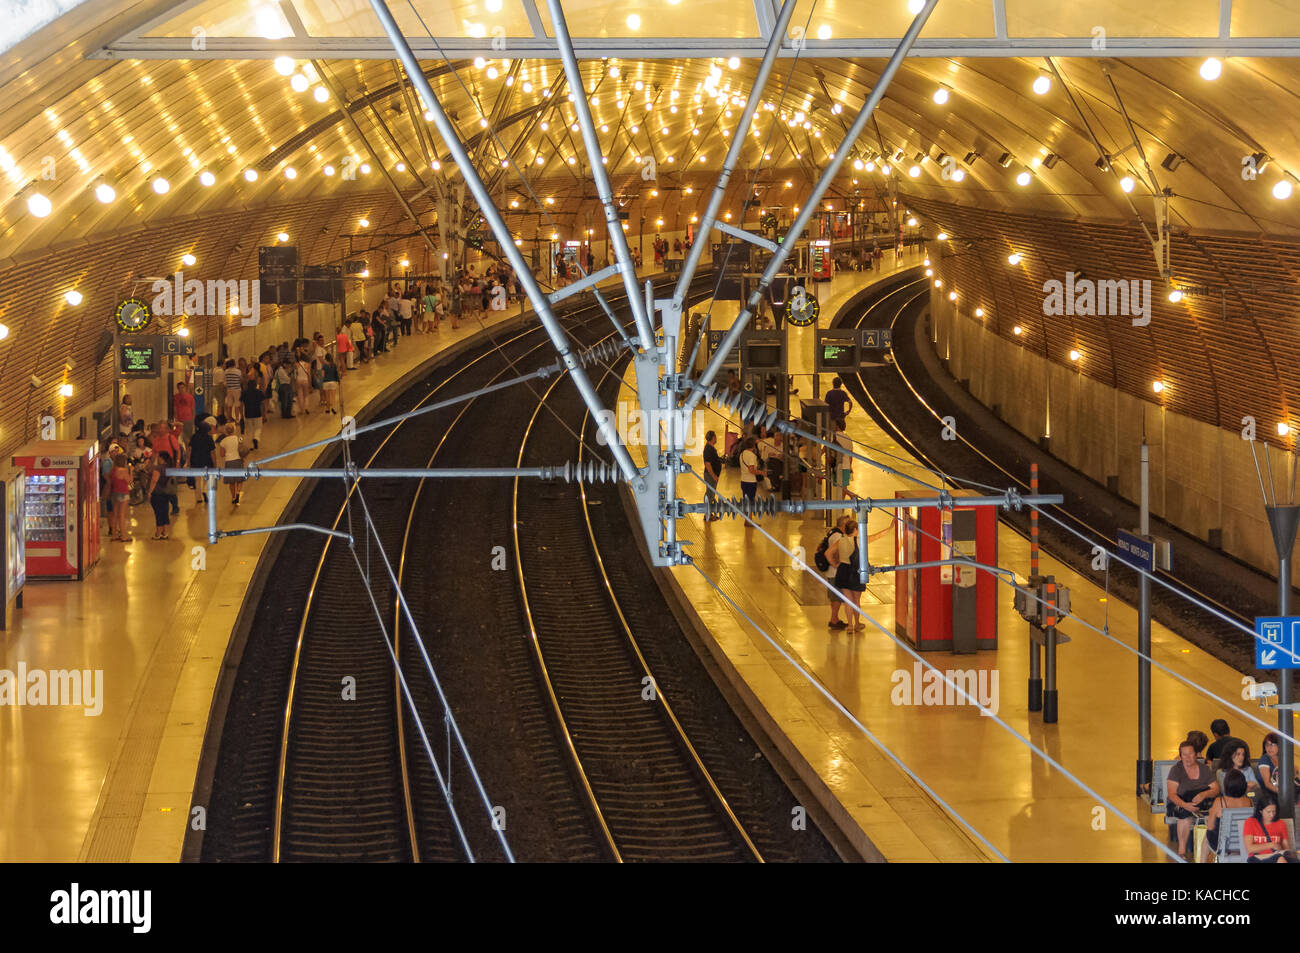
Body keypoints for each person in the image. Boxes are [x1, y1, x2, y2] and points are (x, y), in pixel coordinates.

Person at [1165, 739, 1219, 859]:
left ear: (1196, 754)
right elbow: (1172, 794)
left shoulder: (1204, 769)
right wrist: (1185, 805)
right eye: (1184, 754)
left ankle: (1209, 849)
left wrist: (1204, 794)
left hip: (1201, 800)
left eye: (1190, 753)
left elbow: (1215, 789)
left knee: (1213, 816)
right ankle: (1182, 850)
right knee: (1185, 815)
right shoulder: (1176, 770)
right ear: (1180, 756)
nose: (1188, 757)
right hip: (1180, 801)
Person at [1205, 768, 1252, 859]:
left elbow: (1210, 827)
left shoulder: (1219, 802)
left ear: (1226, 785)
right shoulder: (1249, 802)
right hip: (1245, 843)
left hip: (1225, 845)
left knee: (1206, 837)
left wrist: (1208, 821)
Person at [1243, 793, 1295, 862]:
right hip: (1258, 858)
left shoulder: (1281, 823)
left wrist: (1285, 852)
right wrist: (1271, 845)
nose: (1272, 815)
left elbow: (1286, 848)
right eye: (1268, 812)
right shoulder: (1250, 822)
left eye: (1274, 811)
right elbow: (1249, 849)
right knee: (1279, 858)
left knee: (1283, 858)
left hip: (1277, 856)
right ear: (1261, 811)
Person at [834, 518, 865, 631]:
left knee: (848, 600)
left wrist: (835, 564)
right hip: (855, 572)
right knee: (856, 600)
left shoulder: (840, 541)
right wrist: (889, 528)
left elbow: (828, 553)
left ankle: (850, 626)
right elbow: (876, 536)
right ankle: (857, 624)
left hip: (843, 570)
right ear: (855, 529)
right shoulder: (859, 541)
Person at [823, 515, 851, 628]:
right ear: (843, 525)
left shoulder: (833, 533)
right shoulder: (838, 537)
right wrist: (838, 564)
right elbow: (837, 553)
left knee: (836, 597)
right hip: (835, 572)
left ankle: (834, 618)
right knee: (836, 597)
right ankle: (834, 619)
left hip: (833, 571)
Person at [147, 450, 178, 540]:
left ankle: (158, 533)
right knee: (165, 512)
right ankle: (165, 532)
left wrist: (150, 492)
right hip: (167, 493)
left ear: (161, 458)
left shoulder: (158, 468)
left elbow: (154, 481)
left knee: (158, 513)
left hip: (157, 493)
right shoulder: (169, 467)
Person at [188, 419, 216, 506]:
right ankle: (204, 491)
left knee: (197, 480)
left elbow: (189, 449)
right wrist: (215, 463)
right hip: (207, 461)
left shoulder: (194, 437)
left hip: (195, 460)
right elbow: (212, 452)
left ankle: (198, 498)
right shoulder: (209, 438)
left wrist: (188, 461)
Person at [217, 423, 246, 506]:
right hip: (238, 460)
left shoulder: (223, 441)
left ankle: (233, 497)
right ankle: (238, 493)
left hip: (229, 462)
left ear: (225, 431)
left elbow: (222, 454)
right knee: (240, 480)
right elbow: (242, 449)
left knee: (231, 481)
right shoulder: (238, 439)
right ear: (234, 430)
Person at [108, 453, 133, 542]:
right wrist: (131, 471)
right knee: (122, 515)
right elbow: (130, 481)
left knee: (115, 515)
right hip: (123, 494)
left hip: (114, 493)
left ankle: (114, 535)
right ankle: (123, 536)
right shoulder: (123, 470)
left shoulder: (113, 470)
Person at [240, 374, 266, 449]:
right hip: (258, 413)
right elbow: (263, 404)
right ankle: (256, 438)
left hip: (248, 414)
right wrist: (264, 414)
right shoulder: (259, 392)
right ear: (256, 385)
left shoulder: (244, 393)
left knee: (249, 429)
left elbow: (241, 404)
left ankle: (250, 446)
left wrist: (241, 414)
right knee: (258, 428)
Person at [701, 430, 722, 521]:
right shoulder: (708, 449)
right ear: (713, 438)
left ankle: (709, 513)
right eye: (715, 437)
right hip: (710, 475)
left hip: (712, 475)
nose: (716, 438)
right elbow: (707, 464)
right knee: (709, 495)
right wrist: (714, 476)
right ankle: (707, 515)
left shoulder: (711, 448)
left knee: (711, 495)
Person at [832, 418, 854, 499]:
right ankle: (847, 499)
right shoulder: (848, 438)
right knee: (844, 487)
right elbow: (850, 455)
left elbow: (826, 448)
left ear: (837, 426)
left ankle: (849, 497)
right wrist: (850, 466)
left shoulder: (833, 436)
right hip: (846, 465)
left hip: (836, 465)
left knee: (839, 487)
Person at [738, 436, 760, 507]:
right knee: (750, 502)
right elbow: (751, 470)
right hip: (751, 482)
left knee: (746, 501)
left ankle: (746, 514)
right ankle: (748, 514)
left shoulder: (742, 454)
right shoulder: (751, 455)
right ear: (753, 446)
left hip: (743, 480)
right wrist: (762, 472)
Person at [293, 351, 312, 416]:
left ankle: (302, 410)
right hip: (305, 380)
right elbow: (309, 374)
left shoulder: (296, 364)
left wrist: (294, 382)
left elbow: (295, 374)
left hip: (298, 380)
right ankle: (306, 407)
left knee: (300, 395)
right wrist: (310, 383)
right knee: (306, 395)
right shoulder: (307, 364)